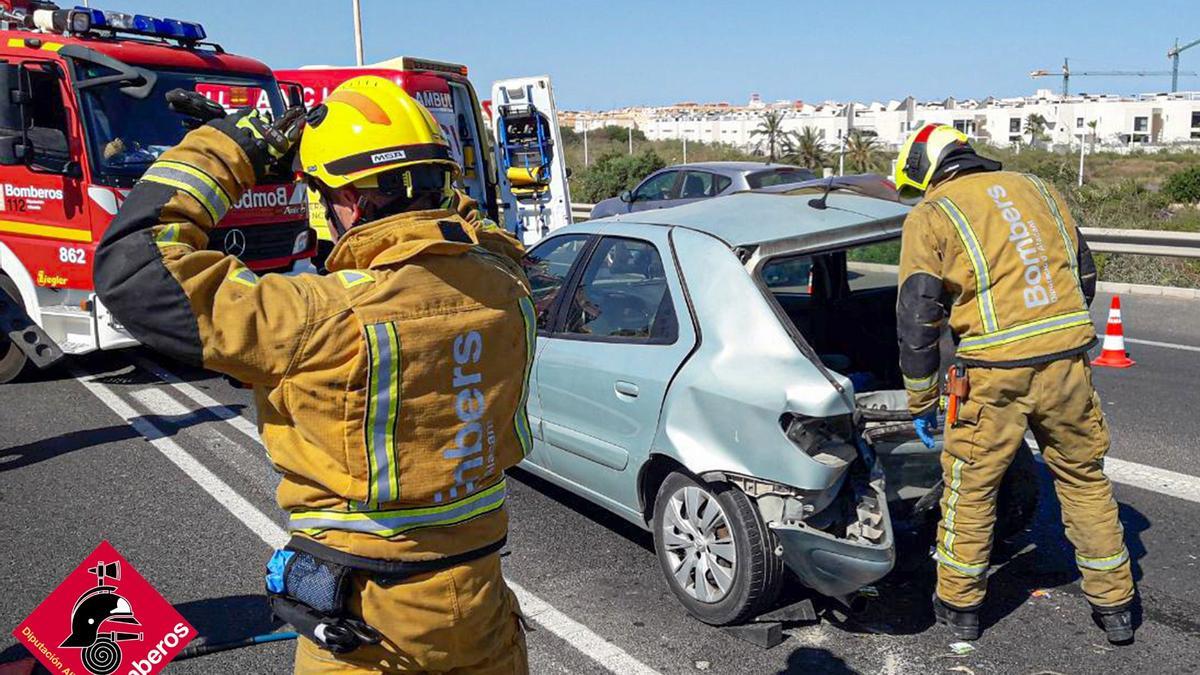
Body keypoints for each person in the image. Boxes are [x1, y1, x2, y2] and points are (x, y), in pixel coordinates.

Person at [94, 76, 532, 673]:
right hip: (482, 606)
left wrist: (227, 151)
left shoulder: (322, 314)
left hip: (370, 629)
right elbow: (459, 226)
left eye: (321, 194)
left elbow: (136, 271)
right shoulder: (503, 282)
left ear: (352, 204)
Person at [893, 124, 1135, 645]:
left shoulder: (932, 213)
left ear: (922, 169)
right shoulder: (1040, 188)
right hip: (1066, 361)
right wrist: (1052, 329)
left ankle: (959, 608)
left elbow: (918, 316)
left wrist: (921, 396)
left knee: (971, 487)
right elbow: (1082, 274)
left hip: (992, 373)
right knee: (1084, 478)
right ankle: (1115, 605)